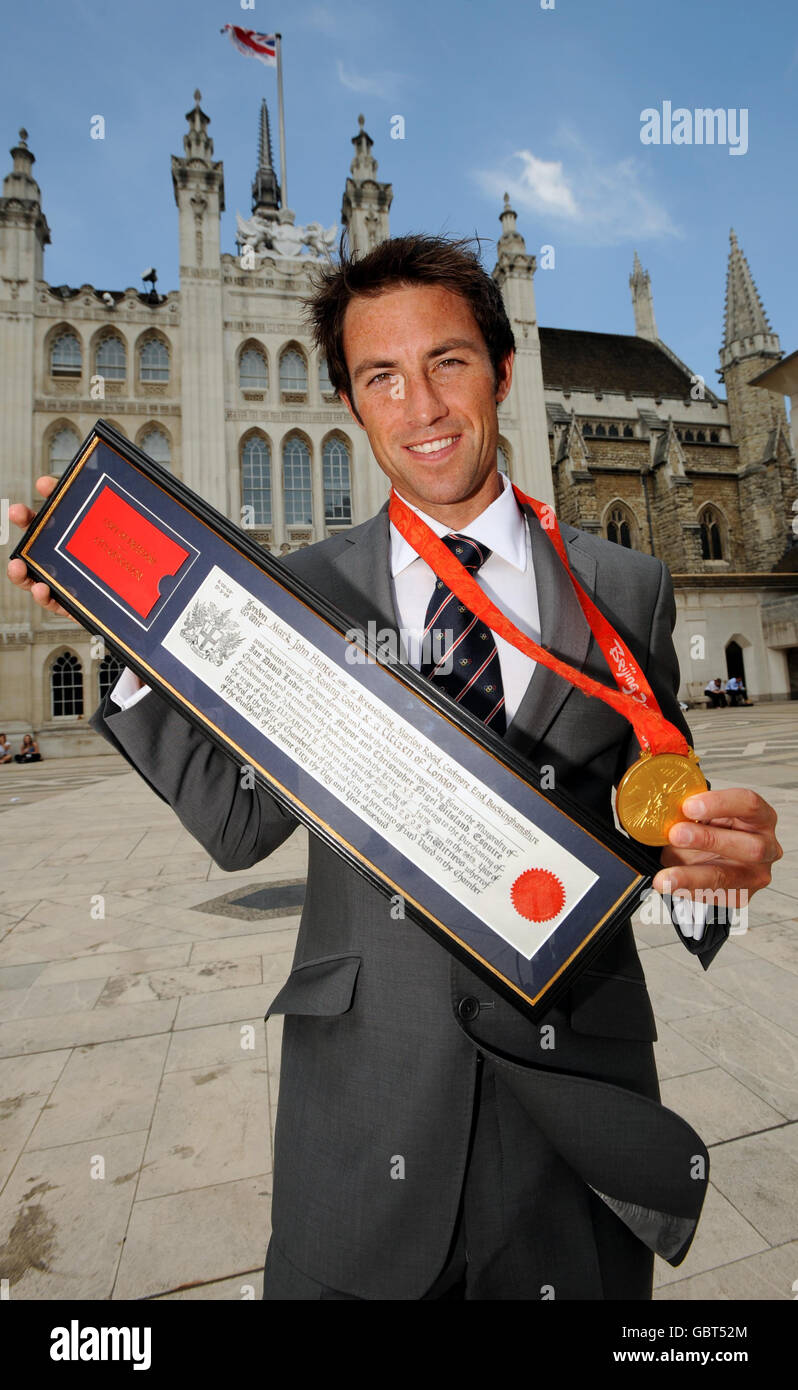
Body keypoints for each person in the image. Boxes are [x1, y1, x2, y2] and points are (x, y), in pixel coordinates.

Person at [7, 234, 782, 1301]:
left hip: (574, 1109)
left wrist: (713, 876)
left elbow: (652, 827)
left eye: (448, 362)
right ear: (351, 399)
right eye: (381, 376)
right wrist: (122, 637)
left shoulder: (624, 584)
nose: (419, 405)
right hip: (365, 1114)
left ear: (504, 371)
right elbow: (241, 826)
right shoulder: (297, 590)